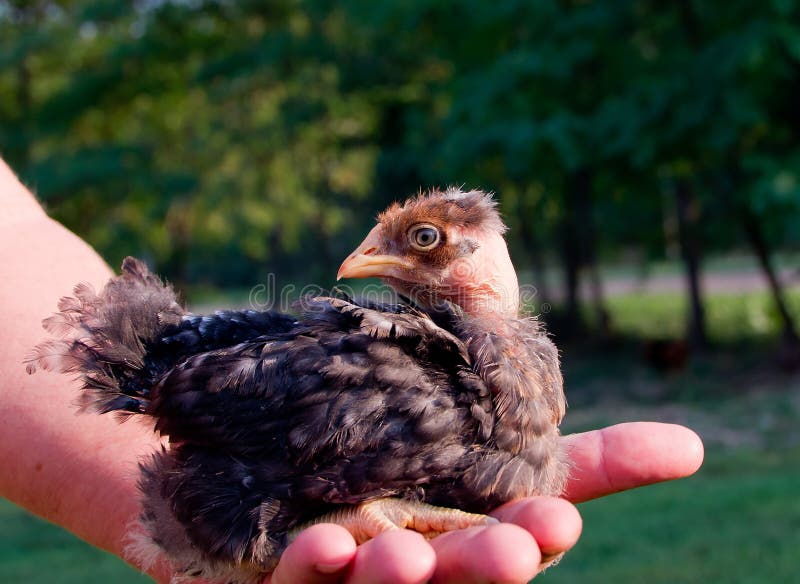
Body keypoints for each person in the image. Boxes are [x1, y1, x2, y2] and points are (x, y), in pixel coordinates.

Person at [0, 157, 703, 584]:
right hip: (213, 466)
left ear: (483, 255)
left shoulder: (498, 380)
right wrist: (359, 512)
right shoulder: (419, 386)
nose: (368, 256)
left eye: (423, 240)